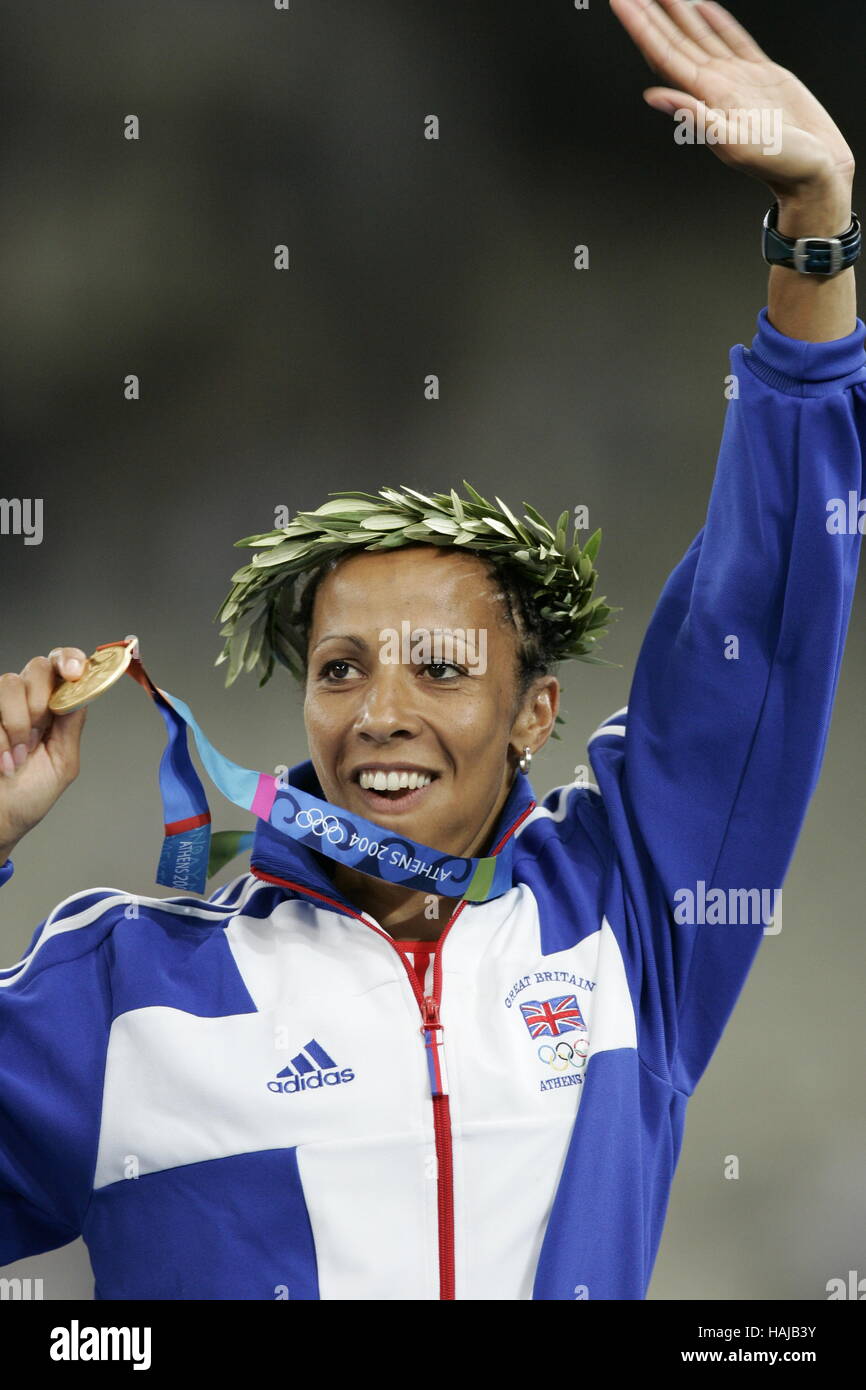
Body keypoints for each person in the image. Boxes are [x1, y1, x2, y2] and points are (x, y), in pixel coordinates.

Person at [0, 0, 863, 1300]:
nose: (380, 711)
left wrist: (815, 226)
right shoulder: (124, 992)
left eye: (443, 669)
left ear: (535, 714)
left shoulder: (624, 918)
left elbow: (769, 617)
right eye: (342, 668)